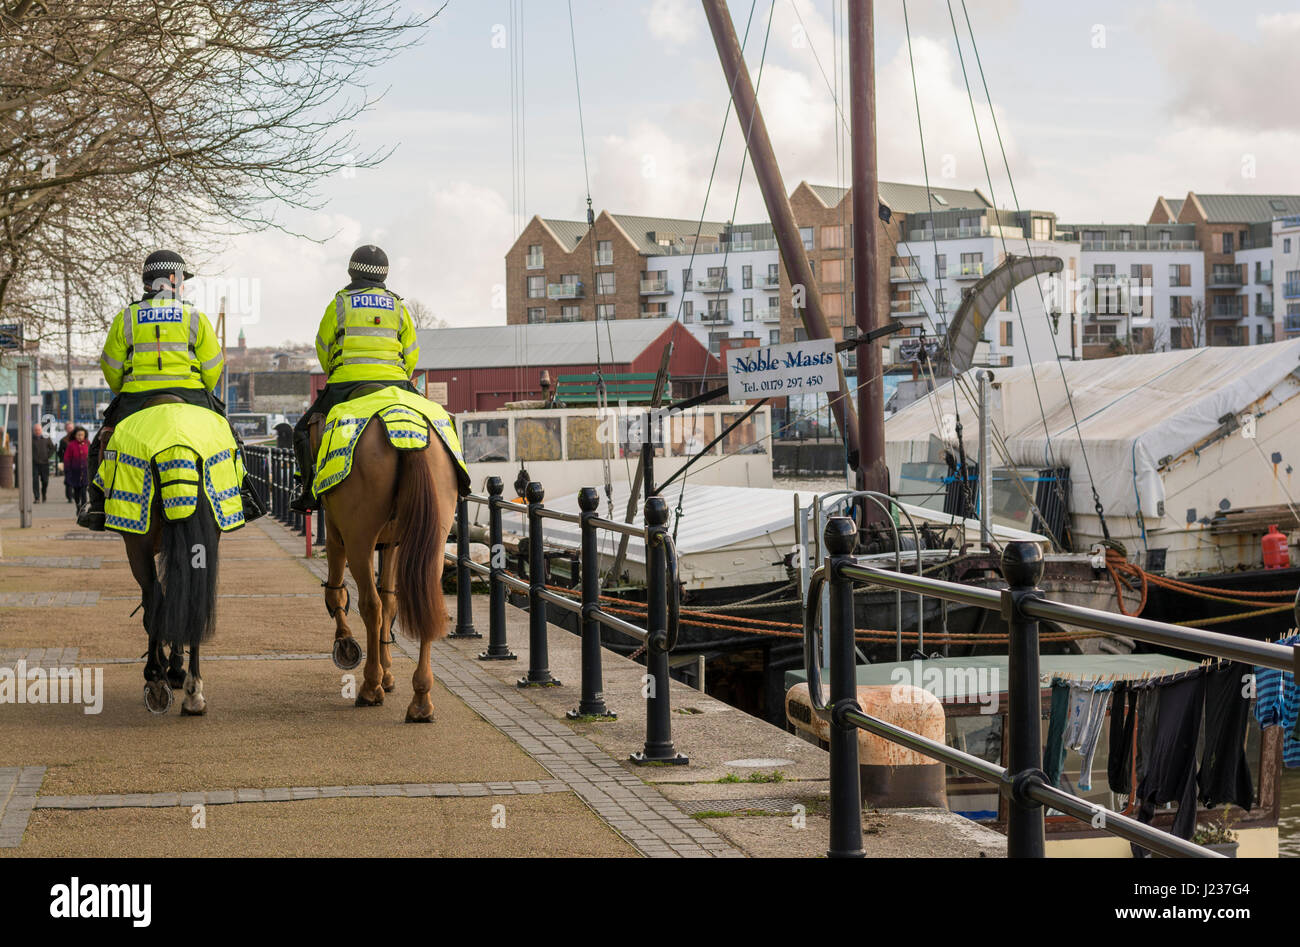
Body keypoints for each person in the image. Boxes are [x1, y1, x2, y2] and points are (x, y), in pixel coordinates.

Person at [78, 249, 264, 530]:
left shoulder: (127, 317)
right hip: (190, 394)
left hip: (136, 398)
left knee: (101, 443)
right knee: (230, 437)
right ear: (173, 279)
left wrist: (124, 389)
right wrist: (203, 389)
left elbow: (110, 366)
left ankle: (97, 506)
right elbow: (213, 365)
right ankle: (242, 496)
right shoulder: (194, 317)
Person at [290, 245, 419, 513]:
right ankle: (458, 482)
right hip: (396, 383)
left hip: (346, 383)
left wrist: (335, 371)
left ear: (351, 272)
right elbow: (411, 352)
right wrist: (400, 376)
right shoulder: (398, 306)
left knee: (302, 431)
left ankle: (309, 491)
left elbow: (323, 348)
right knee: (437, 421)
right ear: (384, 274)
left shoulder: (340, 303)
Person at [63, 426, 90, 510]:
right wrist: (67, 471)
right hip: (75, 473)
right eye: (78, 435)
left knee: (84, 492)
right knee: (77, 492)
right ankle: (78, 506)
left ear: (84, 435)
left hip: (85, 473)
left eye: (82, 435)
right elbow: (67, 459)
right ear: (75, 435)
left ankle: (83, 509)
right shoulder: (71, 445)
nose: (80, 437)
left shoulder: (88, 443)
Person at [29, 423, 53, 502]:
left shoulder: (46, 438)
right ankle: (37, 497)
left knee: (45, 481)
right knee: (35, 480)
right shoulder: (30, 439)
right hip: (34, 463)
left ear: (41, 430)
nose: (37, 431)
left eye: (38, 430)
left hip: (44, 463)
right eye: (35, 430)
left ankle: (44, 493)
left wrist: (48, 456)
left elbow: (52, 448)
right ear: (33, 431)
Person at [56, 420, 75, 502]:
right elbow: (60, 452)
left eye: (71, 428)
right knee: (68, 480)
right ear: (66, 429)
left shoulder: (78, 438)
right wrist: (63, 460)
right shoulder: (63, 440)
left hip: (78, 463)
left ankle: (75, 495)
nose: (70, 429)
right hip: (68, 463)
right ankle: (69, 497)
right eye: (68, 428)